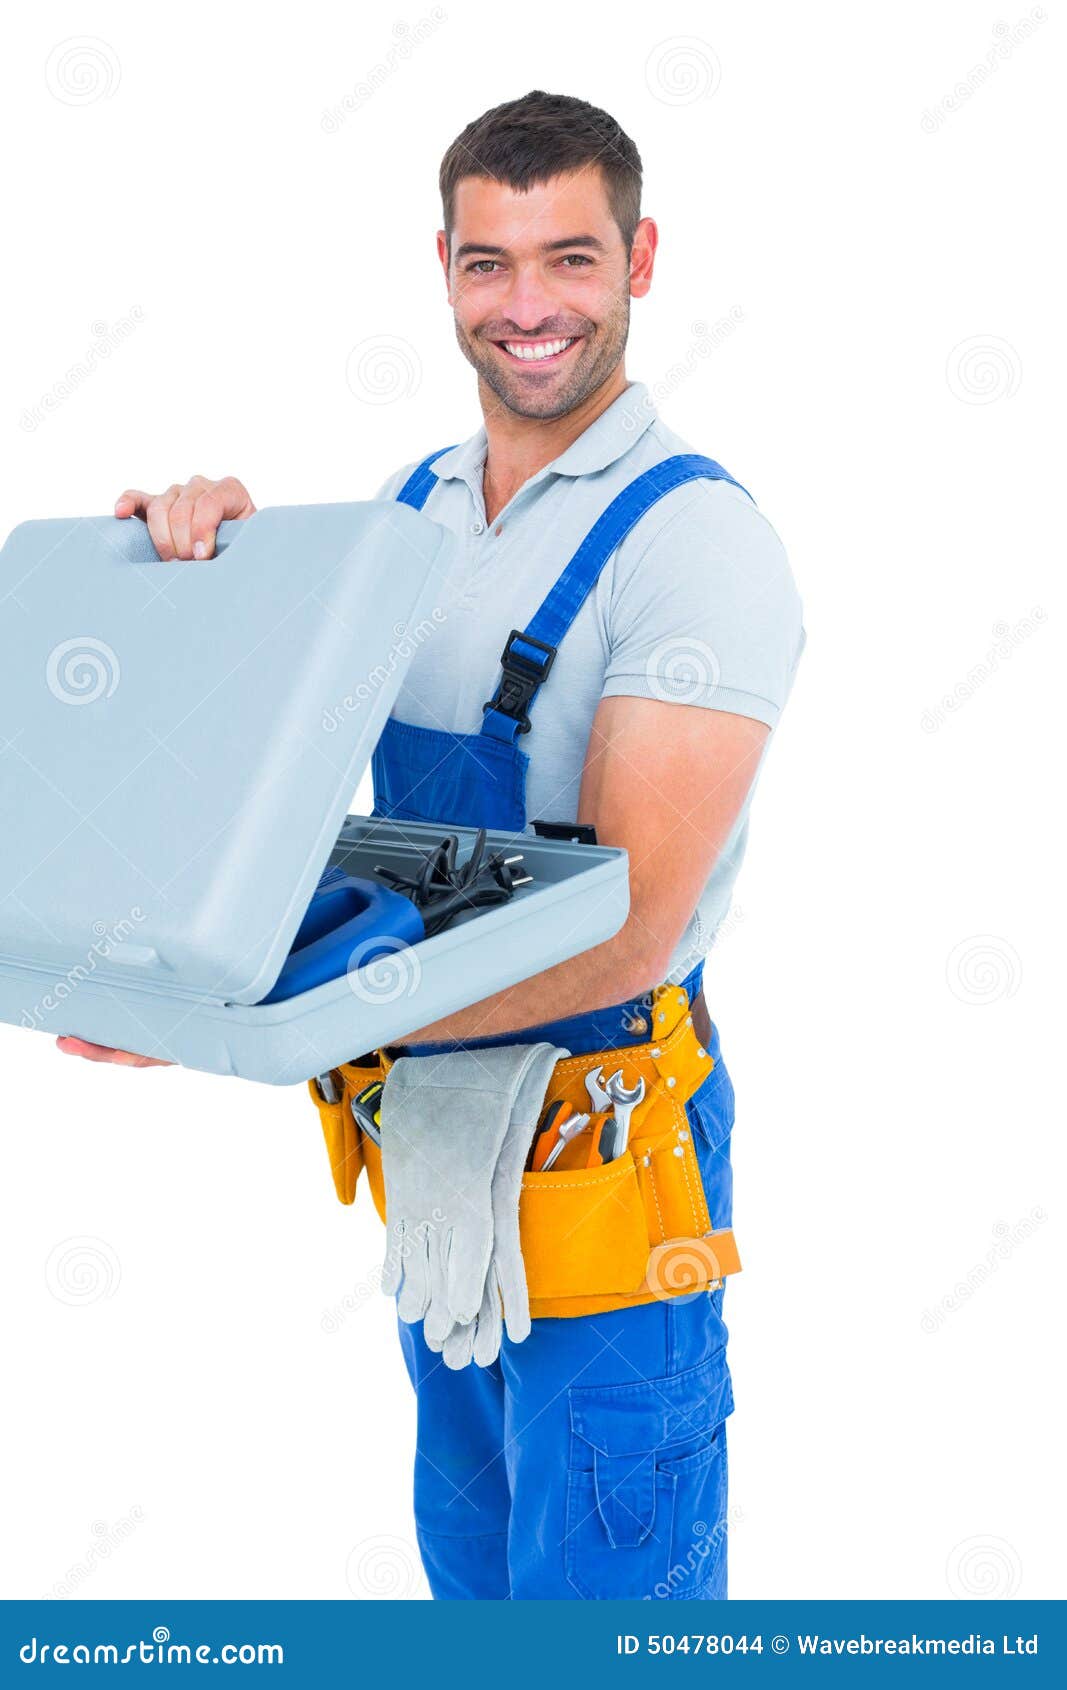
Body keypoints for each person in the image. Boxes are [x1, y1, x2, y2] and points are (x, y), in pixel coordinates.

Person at [60, 90, 805, 1601]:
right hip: (442, 1160)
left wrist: (258, 1022)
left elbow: (626, 928)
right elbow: (259, 765)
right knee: (474, 1596)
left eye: (572, 259)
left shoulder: (695, 540)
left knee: (604, 1619)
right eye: (489, 263)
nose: (528, 307)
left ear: (643, 258)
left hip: (604, 1158)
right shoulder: (416, 509)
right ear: (446, 271)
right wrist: (191, 573)